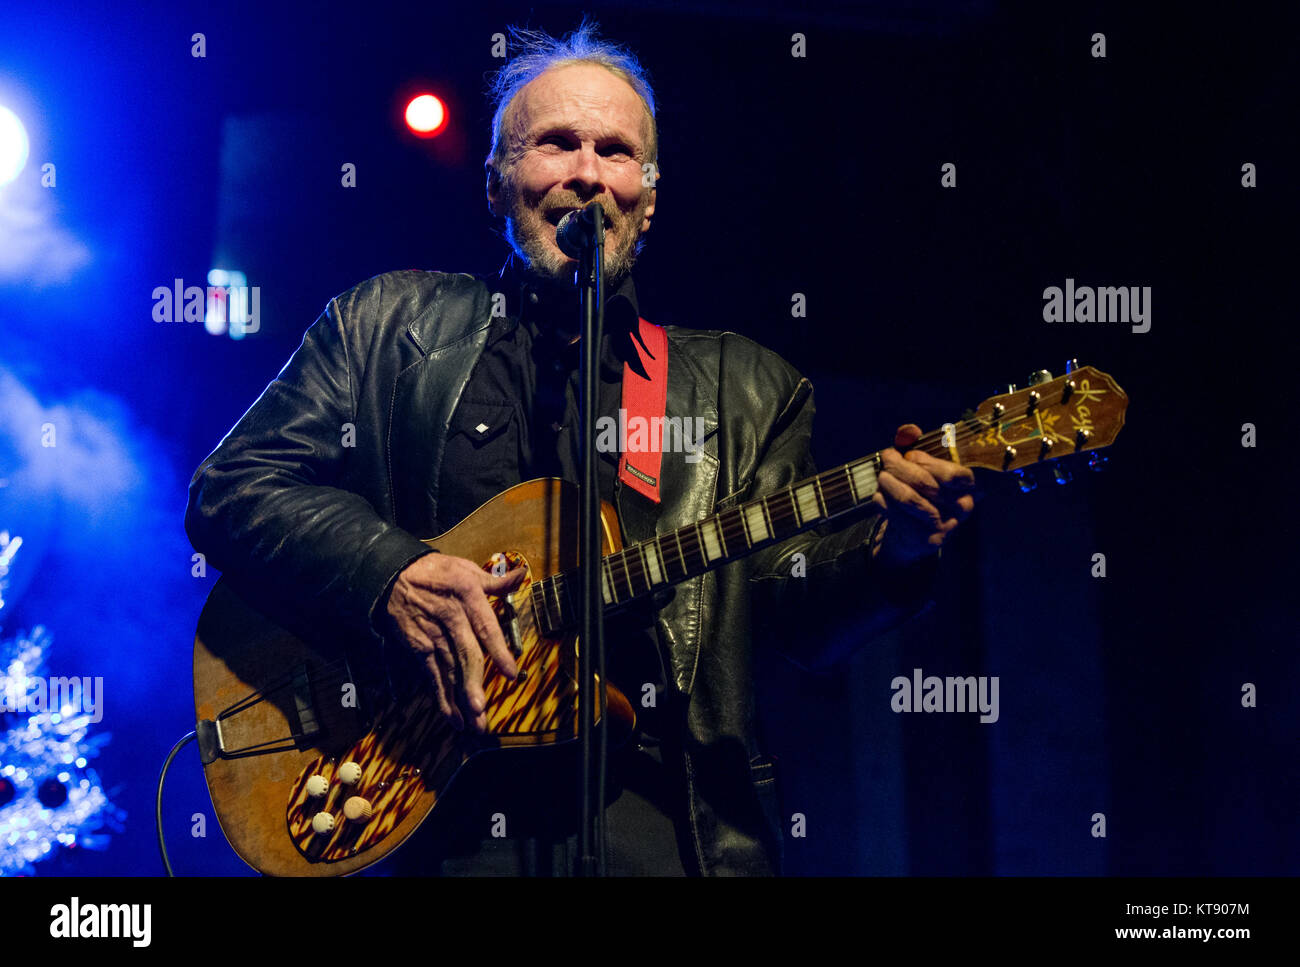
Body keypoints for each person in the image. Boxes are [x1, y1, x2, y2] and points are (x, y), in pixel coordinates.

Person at [184, 23, 975, 876]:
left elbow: (792, 621)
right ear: (496, 184)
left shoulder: (744, 391)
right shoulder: (385, 327)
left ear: (650, 195)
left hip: (656, 827)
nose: (588, 173)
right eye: (556, 143)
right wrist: (391, 576)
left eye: (617, 152)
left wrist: (896, 553)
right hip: (419, 811)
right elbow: (232, 488)